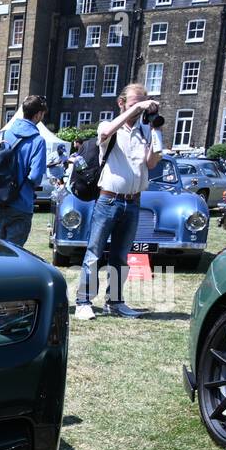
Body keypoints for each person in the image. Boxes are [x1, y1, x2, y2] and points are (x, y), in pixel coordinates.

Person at [74, 84, 162, 321]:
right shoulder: (109, 126)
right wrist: (134, 110)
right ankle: (83, 301)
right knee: (94, 252)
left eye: (142, 104)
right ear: (121, 103)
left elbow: (151, 163)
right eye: (134, 104)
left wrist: (156, 131)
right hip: (109, 200)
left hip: (133, 202)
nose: (139, 110)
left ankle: (115, 301)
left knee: (121, 255)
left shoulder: (143, 132)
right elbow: (104, 134)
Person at [0, 95, 48, 248]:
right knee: (14, 257)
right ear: (37, 115)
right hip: (20, 204)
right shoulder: (38, 141)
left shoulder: (2, 135)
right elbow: (35, 176)